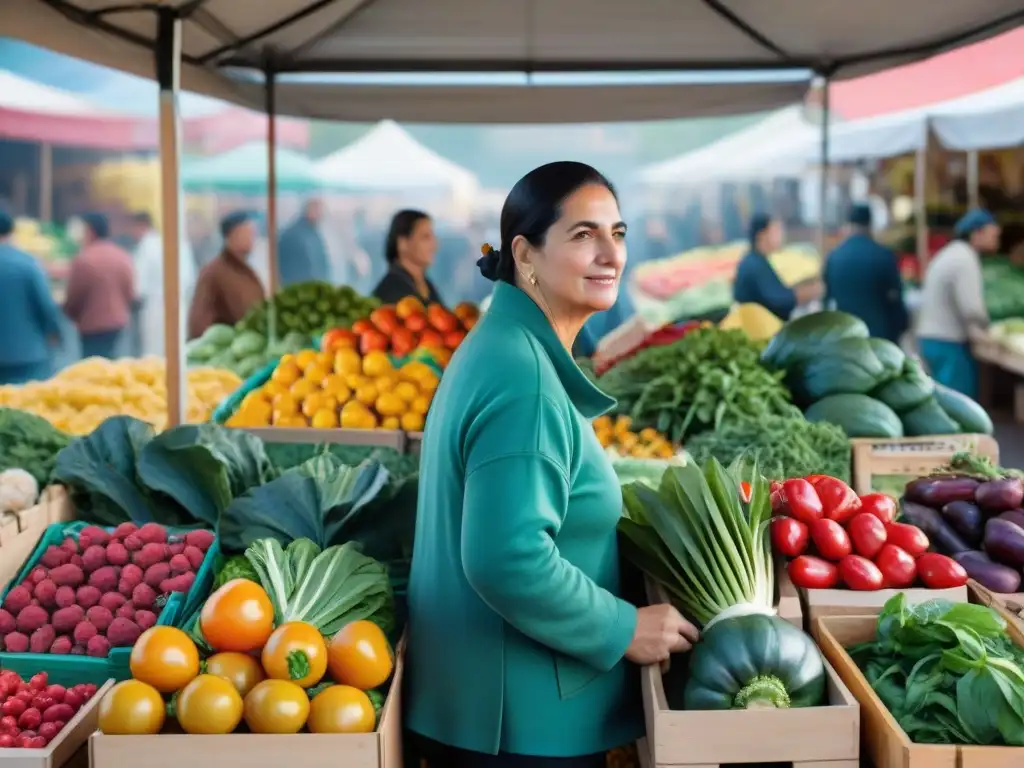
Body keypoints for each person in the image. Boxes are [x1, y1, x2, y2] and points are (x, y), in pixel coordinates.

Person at [404, 161, 699, 768]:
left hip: (488, 706)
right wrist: (625, 628)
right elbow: (506, 558)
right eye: (583, 234)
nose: (609, 254)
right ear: (525, 253)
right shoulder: (524, 381)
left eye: (617, 233)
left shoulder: (505, 345)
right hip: (519, 724)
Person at [917, 209, 998, 399]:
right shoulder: (965, 259)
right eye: (992, 234)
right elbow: (972, 308)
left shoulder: (950, 253)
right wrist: (989, 328)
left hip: (931, 339)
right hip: (948, 343)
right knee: (957, 405)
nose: (996, 240)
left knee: (942, 402)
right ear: (976, 233)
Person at [824, 203, 909, 344]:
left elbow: (828, 300)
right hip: (879, 338)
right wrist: (902, 326)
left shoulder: (834, 257)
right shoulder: (883, 255)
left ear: (848, 225)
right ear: (870, 225)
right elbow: (896, 299)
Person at [0, 209, 64, 384]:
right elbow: (46, 305)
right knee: (23, 406)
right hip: (28, 353)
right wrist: (54, 332)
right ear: (11, 232)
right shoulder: (27, 264)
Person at [63, 212, 135, 360]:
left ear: (90, 231)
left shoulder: (84, 258)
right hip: (118, 322)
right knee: (111, 362)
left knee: (92, 367)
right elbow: (130, 292)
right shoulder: (122, 256)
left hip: (92, 324)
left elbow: (74, 297)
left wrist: (71, 315)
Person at [187, 211, 265, 340]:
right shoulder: (213, 272)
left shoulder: (243, 269)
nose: (253, 238)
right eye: (248, 233)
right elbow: (198, 322)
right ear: (233, 235)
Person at [131, 211, 196, 357]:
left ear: (140, 226)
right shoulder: (181, 243)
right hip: (180, 305)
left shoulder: (147, 246)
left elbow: (138, 285)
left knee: (154, 354)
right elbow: (190, 278)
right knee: (177, 352)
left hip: (154, 308)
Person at [733, 213, 821, 321]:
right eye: (776, 231)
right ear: (762, 234)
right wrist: (810, 292)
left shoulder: (756, 260)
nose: (781, 235)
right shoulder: (754, 265)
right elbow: (778, 301)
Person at [372, 209, 444, 306]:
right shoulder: (391, 292)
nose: (434, 245)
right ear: (403, 243)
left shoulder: (425, 284)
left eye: (433, 237)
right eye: (425, 237)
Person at [278, 199, 330, 287]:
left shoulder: (314, 233)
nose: (320, 214)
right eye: (317, 210)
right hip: (299, 288)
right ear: (309, 210)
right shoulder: (293, 234)